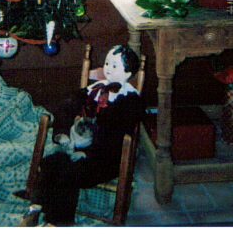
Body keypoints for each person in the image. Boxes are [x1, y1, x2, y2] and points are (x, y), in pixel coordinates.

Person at [23, 44, 144, 226]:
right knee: (51, 163)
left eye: (114, 66)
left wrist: (87, 153)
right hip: (76, 147)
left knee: (69, 174)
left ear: (128, 73)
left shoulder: (129, 100)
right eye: (107, 64)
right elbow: (66, 108)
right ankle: (35, 208)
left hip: (103, 157)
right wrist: (62, 134)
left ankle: (59, 223)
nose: (108, 70)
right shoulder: (94, 89)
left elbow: (116, 137)